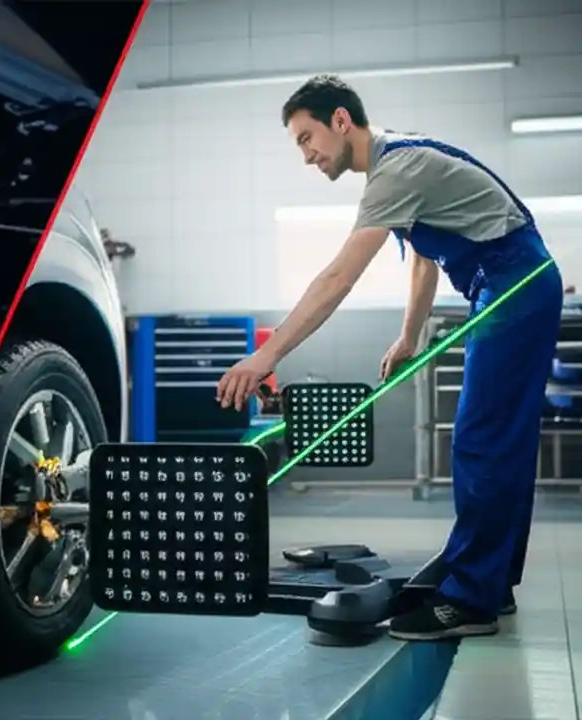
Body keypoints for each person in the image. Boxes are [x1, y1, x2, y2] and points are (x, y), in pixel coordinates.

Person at [216, 74, 563, 641]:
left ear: (341, 122)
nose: (306, 156)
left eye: (306, 138)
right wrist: (408, 335)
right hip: (509, 282)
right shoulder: (399, 163)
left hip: (513, 282)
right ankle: (489, 583)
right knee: (499, 438)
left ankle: (470, 600)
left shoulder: (395, 170)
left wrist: (267, 355)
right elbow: (425, 259)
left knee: (483, 438)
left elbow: (338, 278)